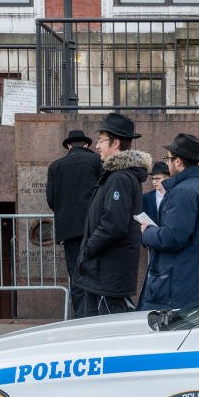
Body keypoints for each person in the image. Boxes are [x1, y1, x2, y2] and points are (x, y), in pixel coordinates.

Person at [73, 115, 150, 316]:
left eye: (101, 141)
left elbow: (113, 225)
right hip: (104, 273)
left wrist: (88, 248)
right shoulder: (115, 176)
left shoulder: (120, 178)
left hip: (107, 273)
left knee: (103, 334)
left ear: (115, 143)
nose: (97, 146)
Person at [139, 134, 199, 310]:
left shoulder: (183, 192)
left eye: (168, 159)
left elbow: (172, 237)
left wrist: (147, 231)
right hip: (198, 282)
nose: (167, 163)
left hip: (180, 287)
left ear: (178, 162)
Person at [46, 128, 101, 317]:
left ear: (69, 146)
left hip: (69, 232)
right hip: (95, 229)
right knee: (95, 273)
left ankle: (80, 318)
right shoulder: (96, 160)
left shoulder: (55, 166)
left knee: (76, 276)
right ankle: (97, 316)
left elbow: (51, 200)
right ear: (86, 145)